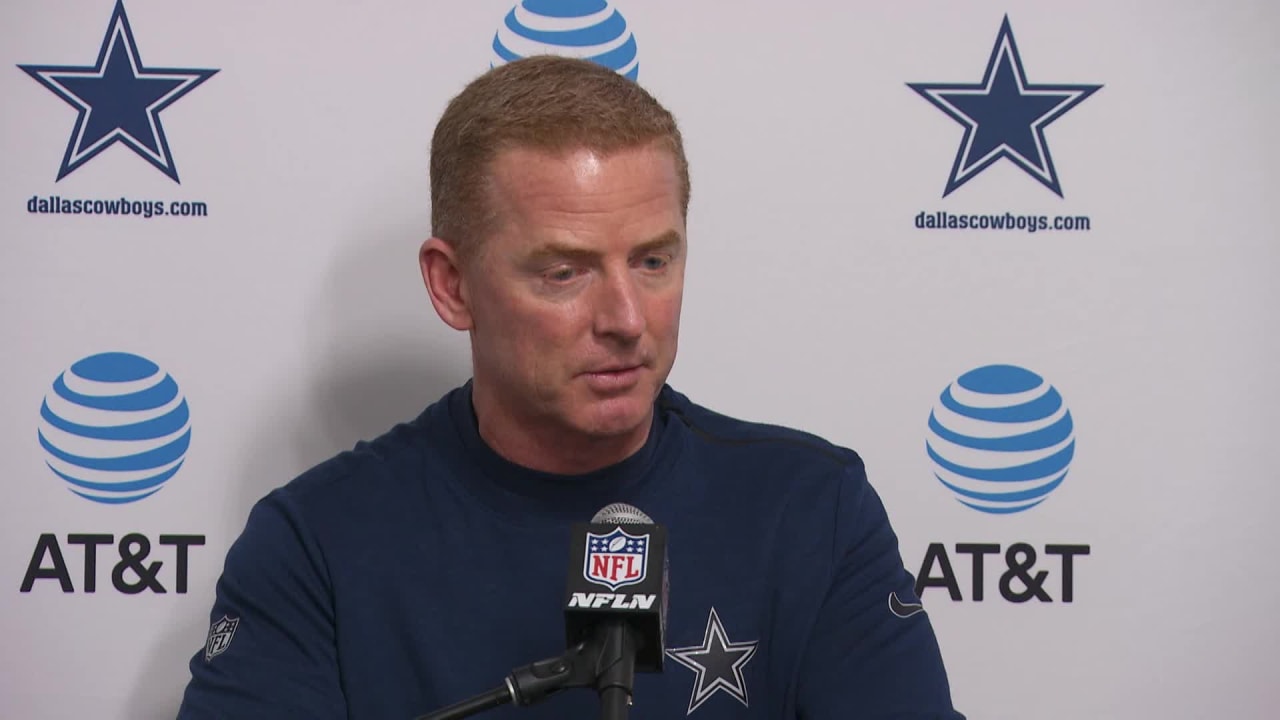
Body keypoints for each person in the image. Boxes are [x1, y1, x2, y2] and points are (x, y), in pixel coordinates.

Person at [176, 55, 964, 719]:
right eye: (564, 272)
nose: (626, 319)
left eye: (653, 262)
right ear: (452, 285)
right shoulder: (316, 544)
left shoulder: (812, 511)